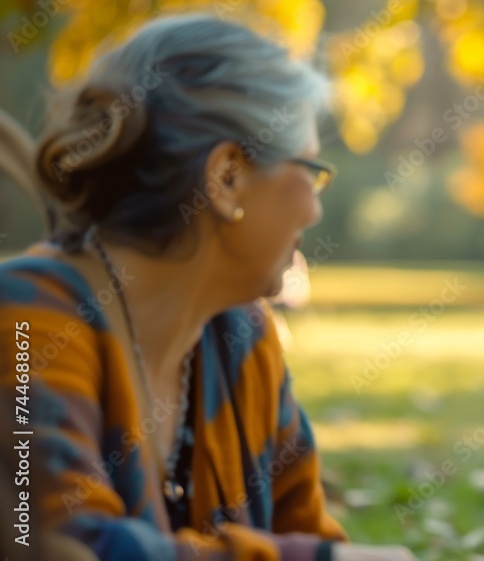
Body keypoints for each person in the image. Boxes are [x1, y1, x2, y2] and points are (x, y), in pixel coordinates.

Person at [0, 14, 413, 561]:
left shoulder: (245, 341)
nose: (314, 207)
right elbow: (57, 546)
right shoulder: (27, 321)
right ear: (226, 178)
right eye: (311, 171)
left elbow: (306, 532)